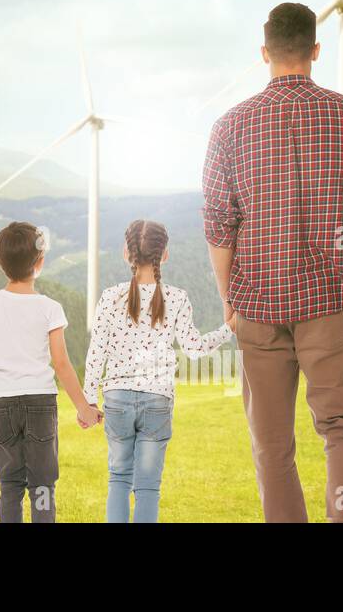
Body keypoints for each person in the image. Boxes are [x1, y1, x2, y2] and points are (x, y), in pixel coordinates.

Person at [202, 1, 343, 523]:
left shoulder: (229, 127)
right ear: (315, 49)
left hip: (258, 304)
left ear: (264, 52)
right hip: (330, 300)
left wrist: (228, 296)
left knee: (271, 444)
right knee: (341, 428)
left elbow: (220, 225)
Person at [83, 219, 235, 523]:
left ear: (126, 253)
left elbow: (96, 353)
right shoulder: (177, 298)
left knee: (118, 478)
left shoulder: (110, 297)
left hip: (116, 399)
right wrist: (227, 329)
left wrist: (89, 400)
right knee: (149, 487)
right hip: (157, 401)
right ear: (164, 255)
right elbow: (193, 349)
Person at [0, 221, 102, 523]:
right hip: (40, 404)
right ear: (39, 263)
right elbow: (61, 364)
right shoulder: (49, 307)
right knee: (42, 485)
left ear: (0, 264)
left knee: (10, 485)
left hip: (2, 405)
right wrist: (84, 407)